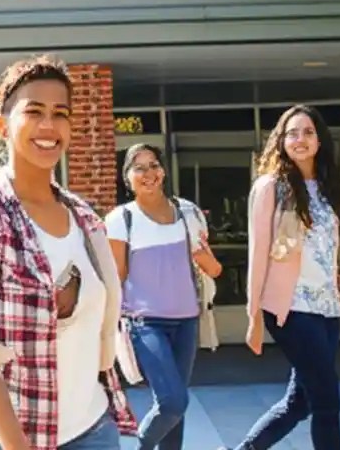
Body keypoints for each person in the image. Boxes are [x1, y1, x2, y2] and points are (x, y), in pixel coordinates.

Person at [0, 54, 137, 450]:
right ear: (1, 124)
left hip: (93, 428)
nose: (49, 126)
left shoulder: (84, 219)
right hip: (8, 438)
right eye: (34, 111)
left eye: (61, 113)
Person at [223, 105, 340, 450]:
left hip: (329, 307)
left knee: (301, 401)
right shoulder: (270, 187)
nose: (300, 139)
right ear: (281, 140)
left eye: (307, 132)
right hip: (290, 308)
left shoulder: (333, 186)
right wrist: (254, 315)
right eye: (292, 133)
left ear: (319, 140)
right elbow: (258, 252)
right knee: (327, 399)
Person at [105, 143, 223, 450]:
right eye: (139, 167)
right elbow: (115, 277)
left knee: (176, 408)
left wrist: (207, 256)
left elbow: (212, 268)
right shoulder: (120, 219)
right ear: (127, 178)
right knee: (173, 401)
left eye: (154, 165)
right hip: (145, 324)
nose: (148, 173)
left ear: (164, 170)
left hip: (186, 321)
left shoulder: (187, 213)